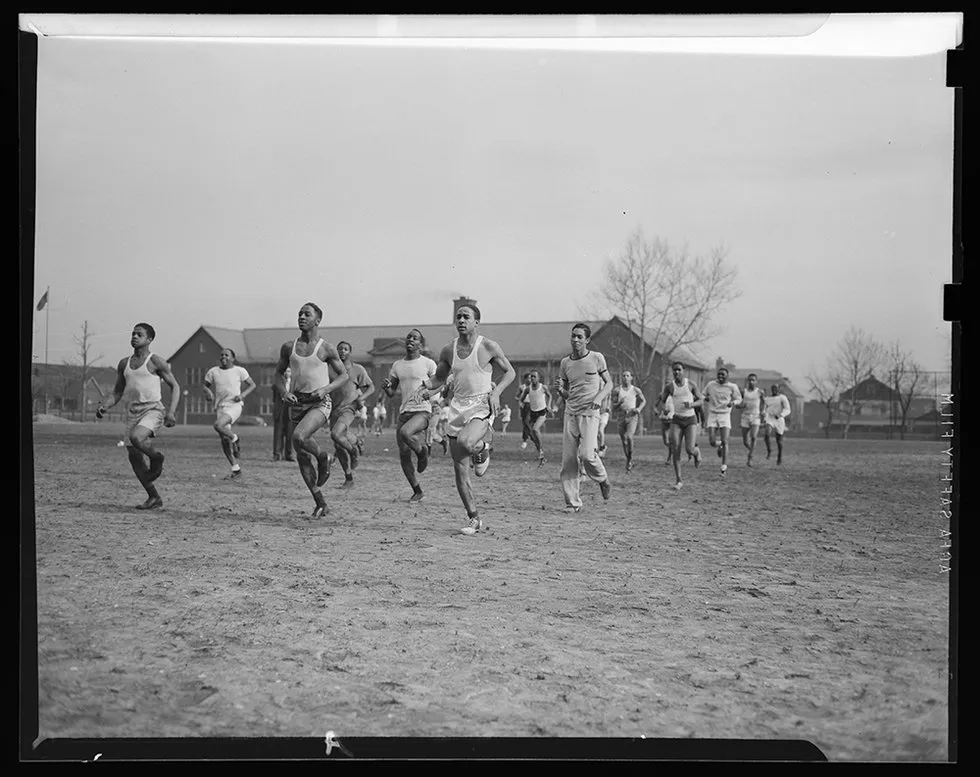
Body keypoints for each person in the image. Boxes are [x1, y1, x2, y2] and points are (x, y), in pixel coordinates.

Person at [414, 303, 516, 535]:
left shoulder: (488, 346)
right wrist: (425, 387)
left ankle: (482, 447)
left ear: (476, 322)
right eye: (458, 316)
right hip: (458, 407)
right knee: (461, 469)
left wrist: (497, 392)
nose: (461, 320)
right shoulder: (448, 350)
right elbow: (439, 378)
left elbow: (510, 372)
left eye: (466, 316)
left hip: (481, 404)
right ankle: (474, 518)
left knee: (465, 443)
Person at [273, 302, 350, 518]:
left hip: (319, 402)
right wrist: (283, 392)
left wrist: (325, 389)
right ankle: (320, 502)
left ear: (317, 320)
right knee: (302, 457)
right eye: (299, 314)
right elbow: (278, 375)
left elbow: (343, 375)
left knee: (299, 436)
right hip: (296, 403)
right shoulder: (289, 347)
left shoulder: (326, 348)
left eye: (307, 314)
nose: (301, 317)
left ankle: (324, 456)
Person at [95, 323, 180, 510]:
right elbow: (117, 392)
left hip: (153, 409)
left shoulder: (156, 361)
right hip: (134, 411)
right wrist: (105, 406)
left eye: (139, 334)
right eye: (133, 333)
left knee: (136, 438)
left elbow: (175, 386)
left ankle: (157, 458)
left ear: (149, 340)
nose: (134, 336)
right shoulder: (124, 363)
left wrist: (171, 412)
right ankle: (154, 497)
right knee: (134, 457)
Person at [552, 323, 613, 512]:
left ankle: (602, 479)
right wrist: (561, 390)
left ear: (587, 340)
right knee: (569, 460)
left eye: (579, 337)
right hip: (571, 413)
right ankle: (573, 503)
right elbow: (566, 394)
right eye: (573, 336)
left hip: (590, 413)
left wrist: (599, 398)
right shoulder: (565, 363)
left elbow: (609, 383)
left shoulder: (596, 358)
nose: (575, 340)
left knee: (587, 455)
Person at [382, 328, 438, 502]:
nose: (411, 340)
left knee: (405, 433)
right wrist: (387, 388)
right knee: (404, 455)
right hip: (404, 411)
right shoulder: (398, 365)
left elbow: (440, 383)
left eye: (415, 338)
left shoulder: (428, 363)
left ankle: (422, 452)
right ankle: (417, 490)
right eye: (408, 337)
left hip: (422, 410)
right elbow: (392, 392)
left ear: (421, 344)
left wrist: (432, 394)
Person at [203, 348, 256, 479]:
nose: (223, 357)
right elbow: (205, 385)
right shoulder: (213, 371)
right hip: (220, 407)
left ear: (233, 358)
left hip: (235, 406)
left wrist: (242, 395)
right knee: (224, 439)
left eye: (227, 355)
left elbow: (252, 385)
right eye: (221, 355)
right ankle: (236, 468)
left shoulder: (240, 371)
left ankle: (236, 438)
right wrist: (208, 392)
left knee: (218, 425)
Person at [329, 340, 375, 488]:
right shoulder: (330, 369)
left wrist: (361, 398)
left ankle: (353, 451)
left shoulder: (357, 369)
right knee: (338, 444)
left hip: (349, 408)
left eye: (345, 349)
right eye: (340, 349)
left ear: (350, 352)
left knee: (336, 434)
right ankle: (349, 478)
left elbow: (371, 387)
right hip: (333, 409)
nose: (342, 351)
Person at [659, 362, 704, 490]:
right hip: (677, 420)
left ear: (683, 370)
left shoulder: (691, 384)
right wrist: (664, 409)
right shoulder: (669, 387)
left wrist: (691, 405)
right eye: (674, 370)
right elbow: (662, 401)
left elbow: (701, 400)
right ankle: (679, 480)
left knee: (689, 449)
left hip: (690, 420)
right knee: (675, 449)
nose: (676, 372)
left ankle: (696, 453)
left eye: (679, 370)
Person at [702, 366, 743, 475]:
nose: (720, 376)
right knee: (711, 441)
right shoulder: (711, 385)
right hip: (713, 414)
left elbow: (739, 399)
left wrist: (733, 403)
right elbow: (703, 394)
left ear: (727, 376)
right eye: (719, 374)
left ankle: (724, 466)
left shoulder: (732, 387)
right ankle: (719, 445)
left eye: (723, 375)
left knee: (725, 440)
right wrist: (705, 398)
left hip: (725, 415)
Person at [612, 370, 646, 472]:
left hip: (632, 415)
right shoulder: (617, 390)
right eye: (623, 376)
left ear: (631, 378)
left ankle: (630, 459)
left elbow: (644, 401)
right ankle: (629, 460)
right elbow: (613, 407)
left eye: (627, 376)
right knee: (624, 441)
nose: (625, 377)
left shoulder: (636, 390)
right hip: (621, 416)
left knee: (629, 437)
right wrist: (619, 403)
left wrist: (639, 409)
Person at [522, 369, 551, 465]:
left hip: (542, 412)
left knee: (535, 429)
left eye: (534, 376)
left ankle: (541, 452)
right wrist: (521, 404)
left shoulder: (543, 387)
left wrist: (549, 405)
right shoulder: (528, 389)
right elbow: (521, 399)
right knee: (532, 434)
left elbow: (549, 396)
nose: (532, 378)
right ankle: (541, 453)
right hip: (532, 413)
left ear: (539, 378)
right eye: (531, 376)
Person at [737, 373, 765, 467]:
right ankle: (751, 450)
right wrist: (741, 405)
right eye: (750, 380)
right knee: (745, 441)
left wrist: (763, 411)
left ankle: (750, 457)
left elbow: (764, 403)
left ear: (756, 381)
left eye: (753, 380)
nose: (751, 382)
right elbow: (737, 404)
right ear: (747, 381)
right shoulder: (743, 392)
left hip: (755, 416)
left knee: (753, 437)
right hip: (745, 416)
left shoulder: (759, 392)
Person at [763, 383, 792, 465]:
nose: (774, 390)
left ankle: (780, 456)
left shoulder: (782, 397)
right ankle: (769, 450)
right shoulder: (767, 398)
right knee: (767, 434)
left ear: (779, 389)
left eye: (776, 388)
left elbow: (788, 409)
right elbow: (765, 408)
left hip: (779, 419)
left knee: (779, 440)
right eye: (773, 388)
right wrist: (764, 414)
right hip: (770, 418)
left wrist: (781, 415)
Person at [272, 367, 296, 462]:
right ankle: (277, 454)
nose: (287, 373)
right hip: (280, 409)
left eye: (289, 371)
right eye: (285, 371)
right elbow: (275, 396)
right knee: (278, 433)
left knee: (290, 433)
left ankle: (289, 454)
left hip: (290, 410)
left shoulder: (294, 383)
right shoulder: (278, 382)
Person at [517, 373, 533, 449]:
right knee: (525, 424)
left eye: (532, 378)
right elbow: (517, 396)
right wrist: (520, 402)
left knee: (527, 422)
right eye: (529, 378)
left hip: (532, 405)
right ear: (526, 379)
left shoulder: (533, 387)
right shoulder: (522, 387)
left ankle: (531, 436)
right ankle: (525, 440)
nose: (531, 379)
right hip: (524, 406)